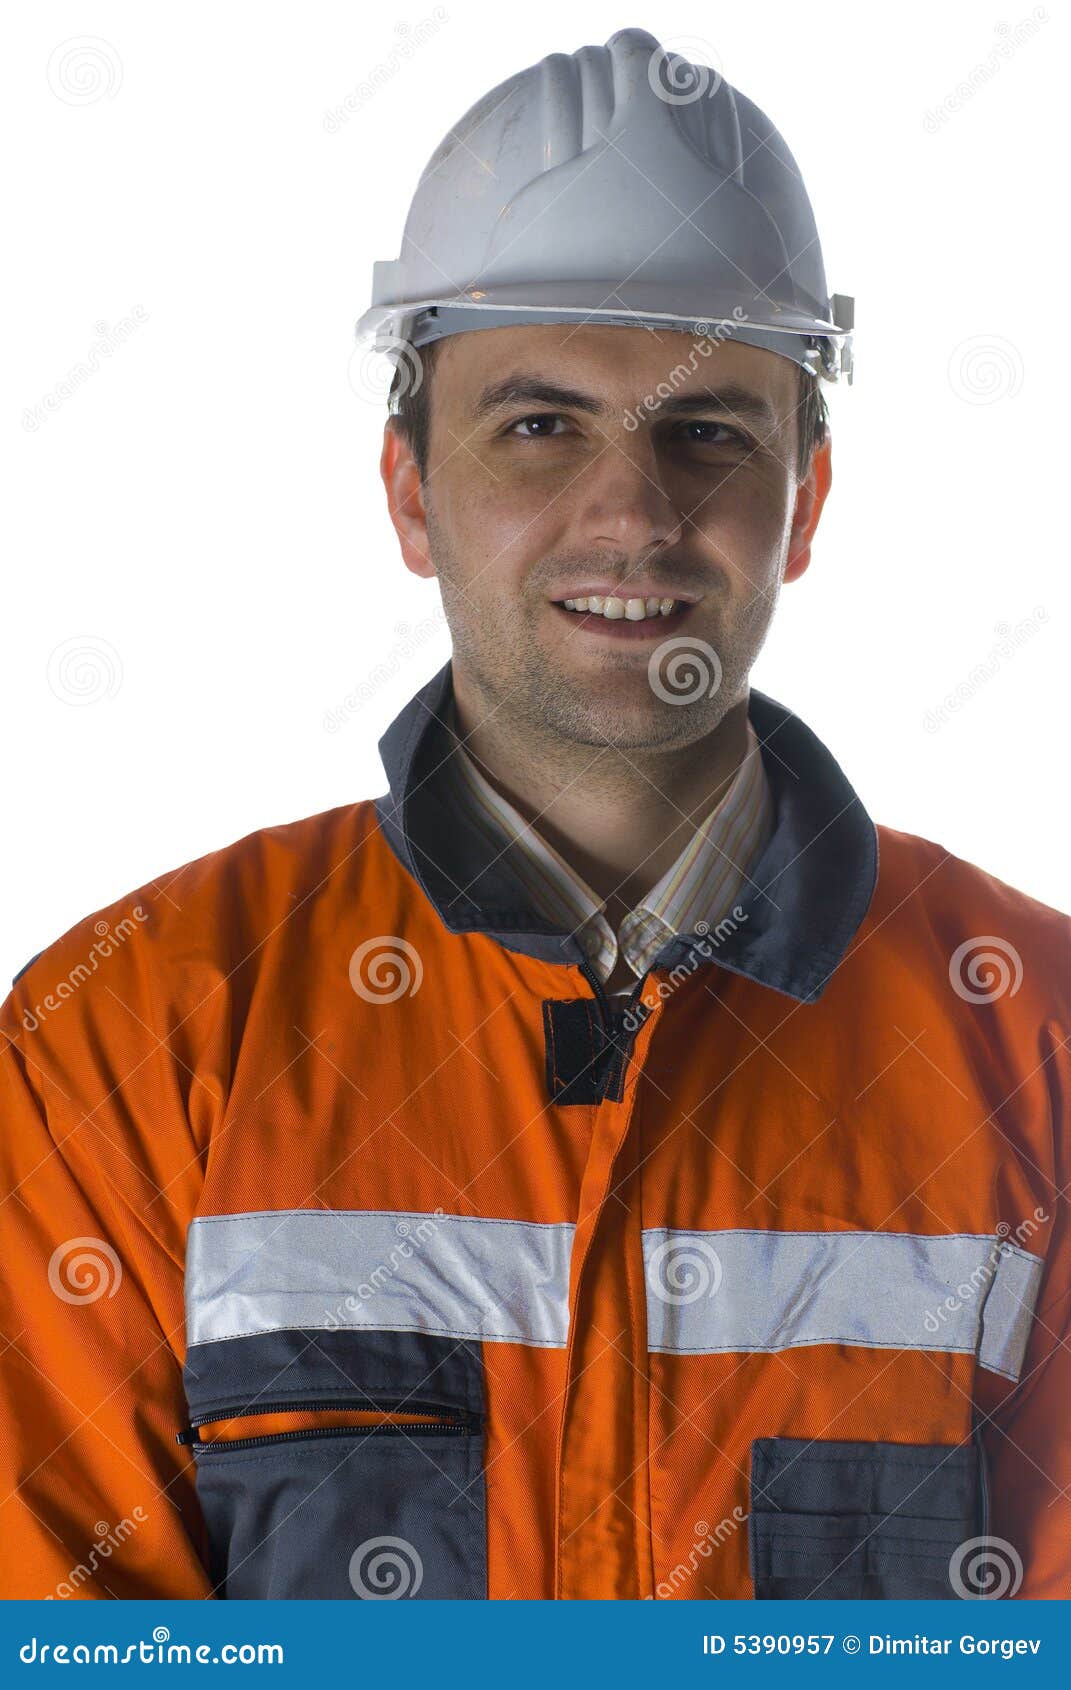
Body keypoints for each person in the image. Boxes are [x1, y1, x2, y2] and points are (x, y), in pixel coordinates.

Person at [1, 27, 1067, 1602]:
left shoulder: (1034, 1042)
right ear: (411, 491)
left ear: (809, 497)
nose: (631, 511)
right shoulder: (132, 1042)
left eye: (709, 429)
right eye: (539, 424)